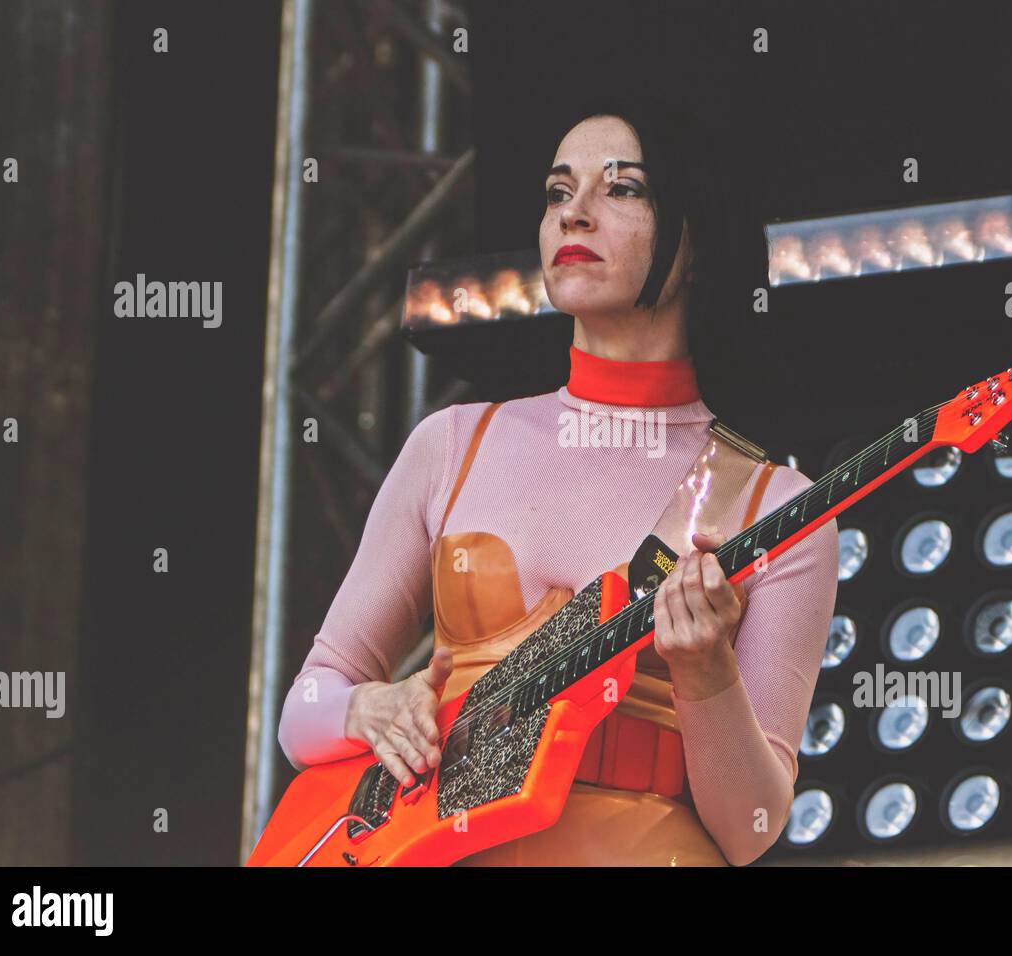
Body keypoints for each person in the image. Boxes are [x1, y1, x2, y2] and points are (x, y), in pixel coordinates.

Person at [277, 95, 840, 866]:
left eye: (622, 188)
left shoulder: (775, 503)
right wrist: (367, 707)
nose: (575, 214)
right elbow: (303, 708)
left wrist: (705, 673)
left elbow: (749, 828)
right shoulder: (452, 444)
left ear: (698, 239)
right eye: (557, 191)